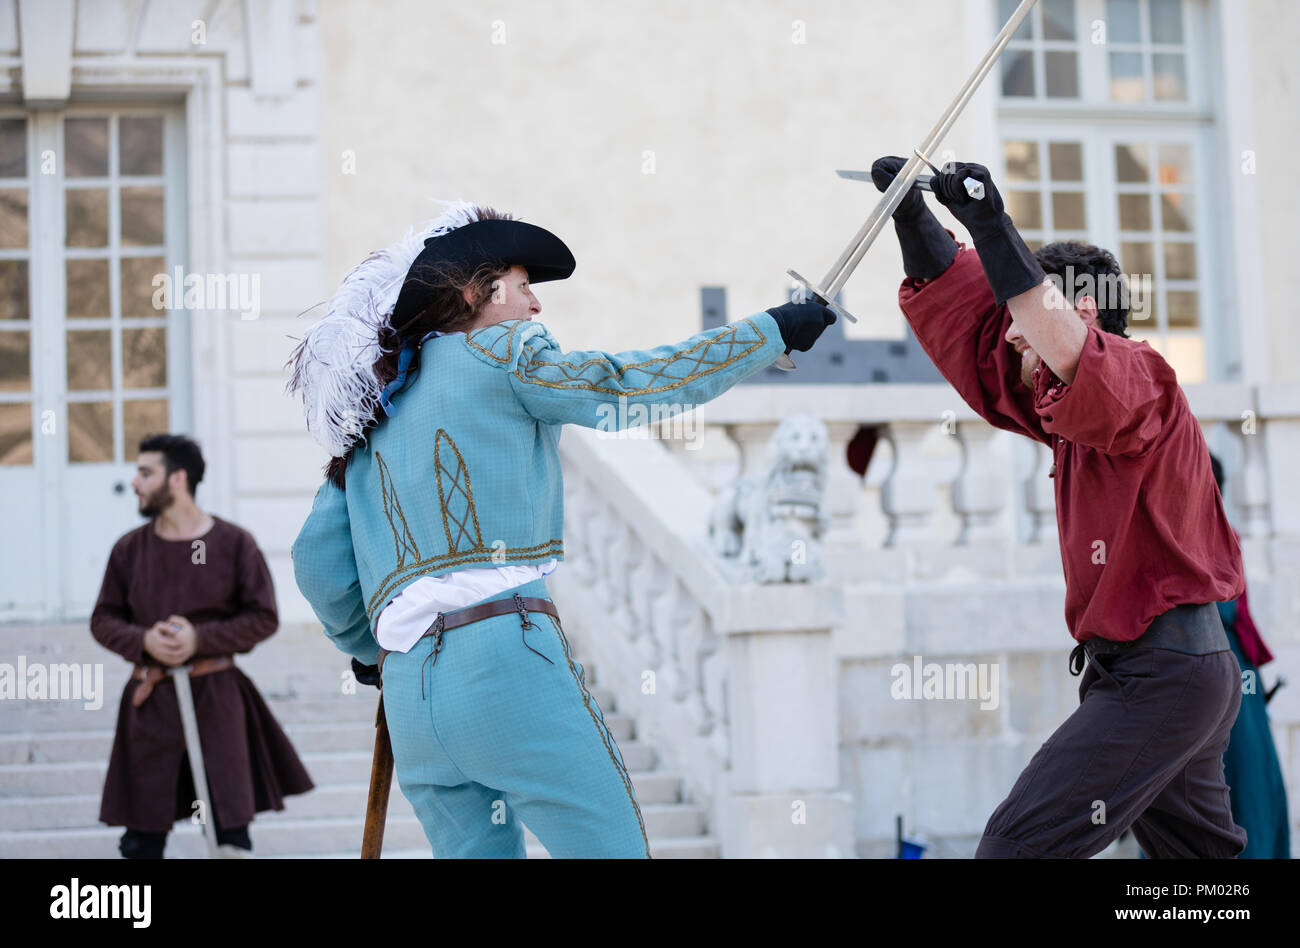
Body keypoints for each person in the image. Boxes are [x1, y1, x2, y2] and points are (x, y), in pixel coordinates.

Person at [288, 201, 834, 858]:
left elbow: (317, 560)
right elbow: (624, 385)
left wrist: (368, 645)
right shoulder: (503, 351)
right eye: (523, 287)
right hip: (504, 660)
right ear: (474, 293)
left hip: (413, 700)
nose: (535, 307)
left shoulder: (370, 416)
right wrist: (769, 332)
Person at [871, 156, 1247, 858]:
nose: (1008, 335)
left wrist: (990, 219)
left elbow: (1055, 340)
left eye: (1022, 319)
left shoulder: (1139, 378)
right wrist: (914, 217)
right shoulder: (1059, 404)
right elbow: (971, 328)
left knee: (1016, 848)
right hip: (1177, 676)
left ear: (1080, 313)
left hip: (1162, 679)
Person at [91, 433, 313, 858]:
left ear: (177, 479)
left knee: (230, 835)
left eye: (145, 473)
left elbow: (263, 617)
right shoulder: (129, 550)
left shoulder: (233, 544)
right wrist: (144, 641)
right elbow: (103, 620)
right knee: (141, 841)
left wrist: (200, 639)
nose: (135, 483)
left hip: (219, 703)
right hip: (151, 706)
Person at [1208, 453, 1290, 858]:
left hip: (1223, 666)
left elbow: (1221, 607)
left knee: (1245, 777)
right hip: (1223, 667)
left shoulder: (1210, 532)